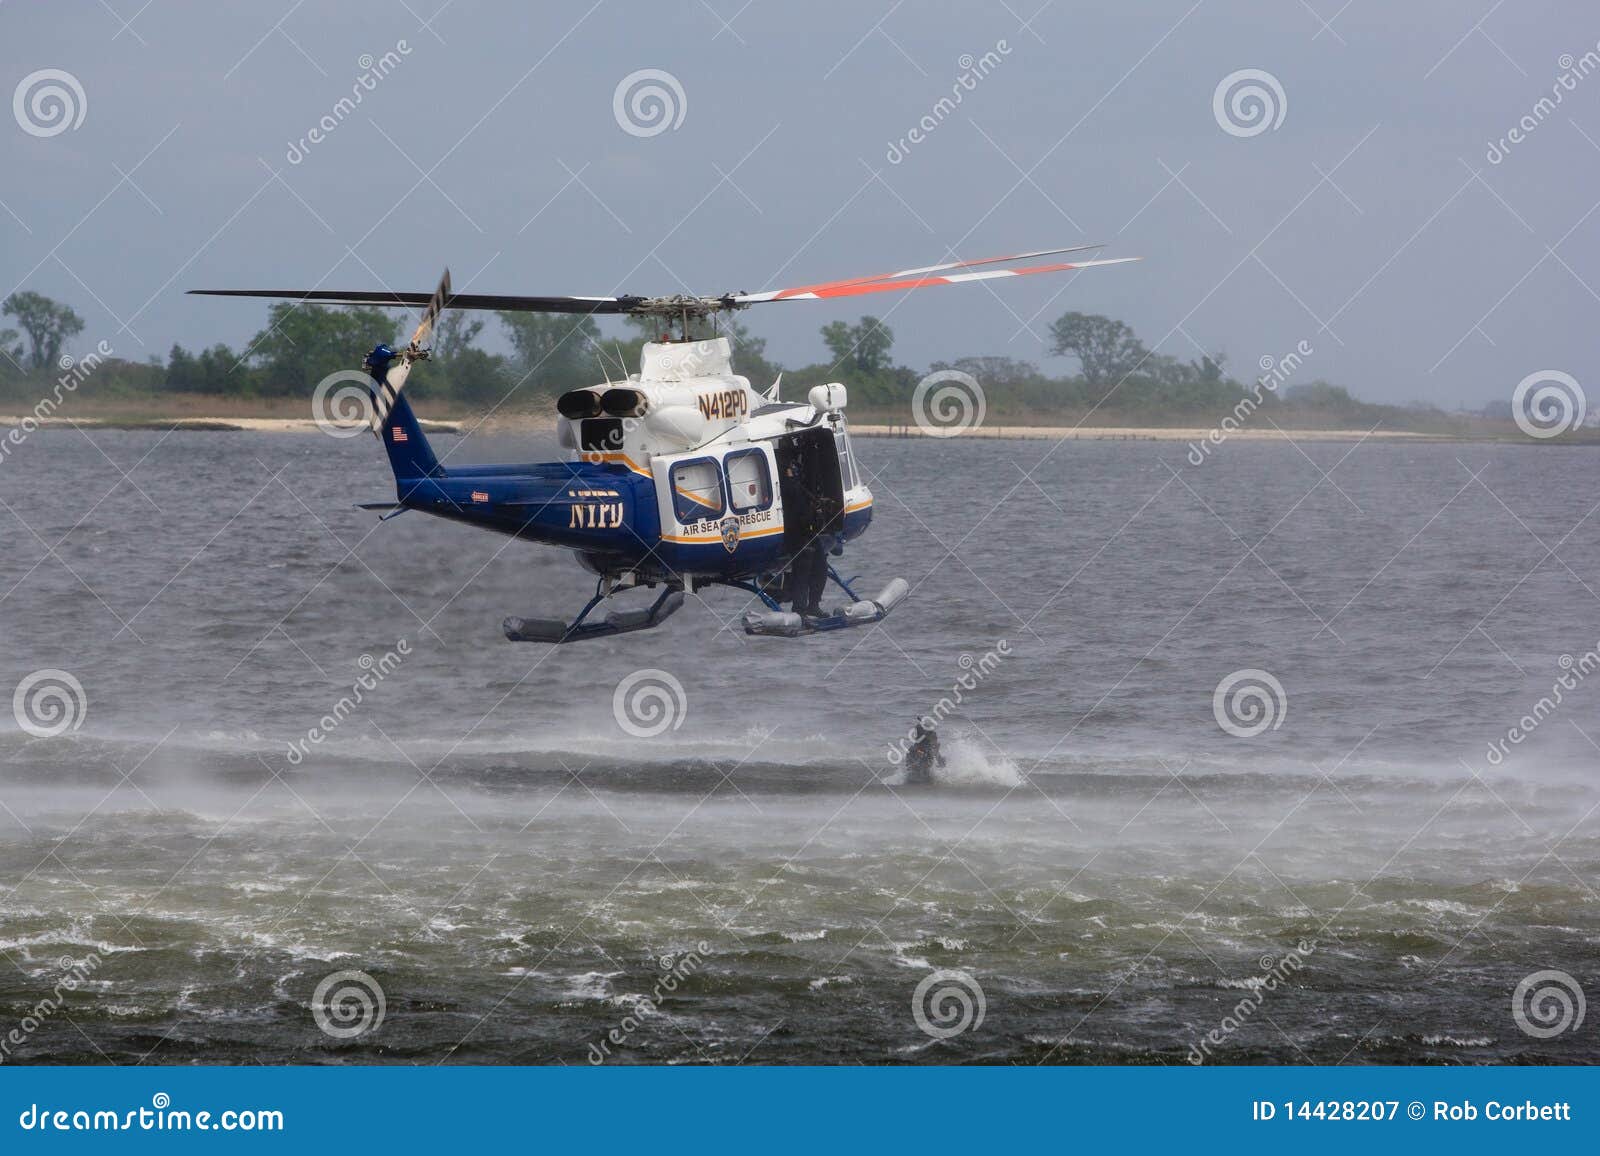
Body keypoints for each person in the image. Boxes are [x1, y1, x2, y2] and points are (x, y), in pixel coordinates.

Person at [783, 458, 837, 617]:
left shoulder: (802, 486)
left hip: (810, 533)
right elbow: (796, 510)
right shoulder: (789, 488)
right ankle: (799, 610)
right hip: (796, 535)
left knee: (821, 568)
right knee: (802, 570)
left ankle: (813, 605)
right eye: (791, 470)